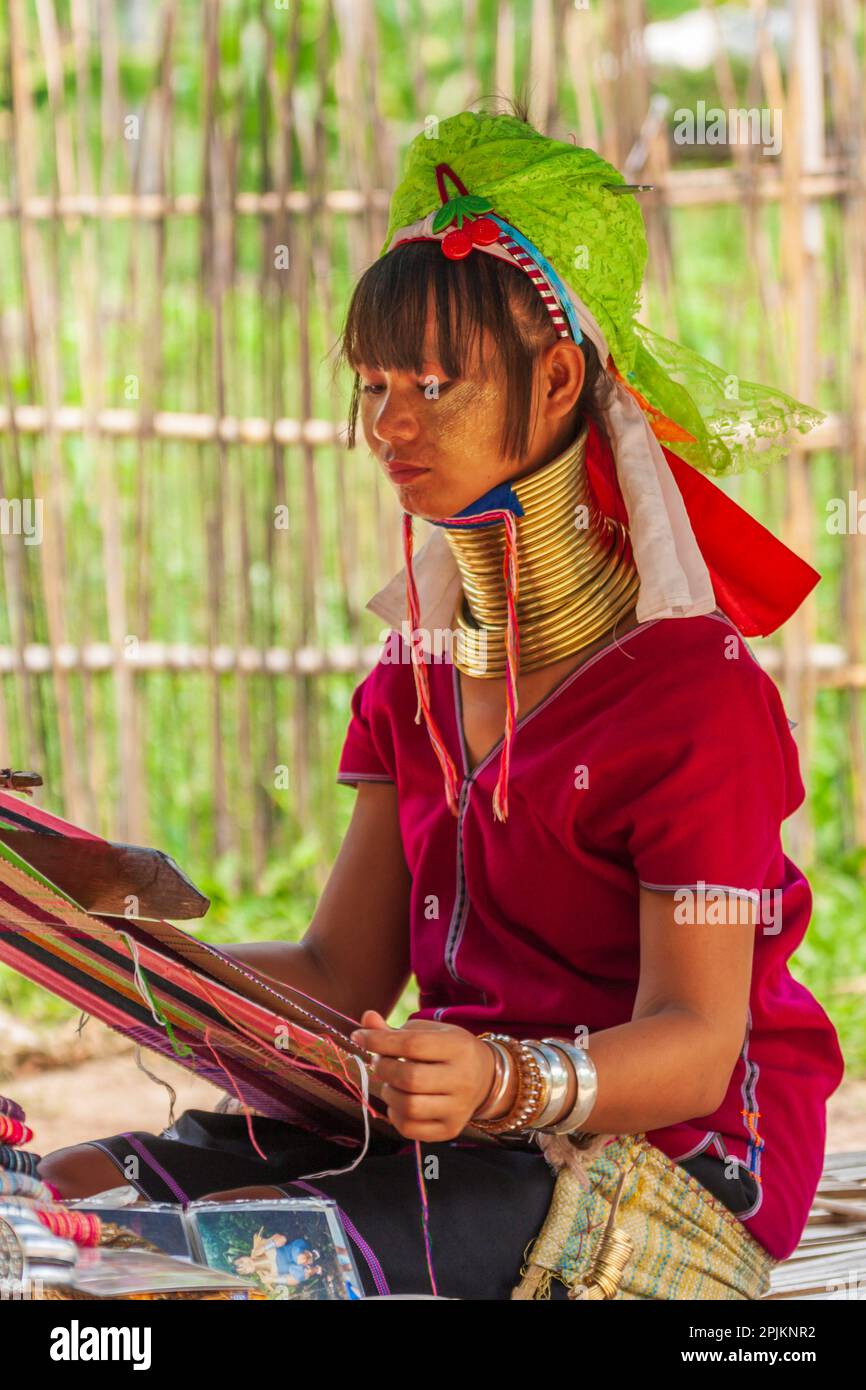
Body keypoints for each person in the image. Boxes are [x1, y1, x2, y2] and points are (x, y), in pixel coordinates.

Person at [39, 103, 845, 1301]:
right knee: (94, 1188)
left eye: (429, 381)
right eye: (370, 384)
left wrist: (501, 1084)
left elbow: (693, 1046)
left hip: (663, 1163)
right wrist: (126, 935)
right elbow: (340, 969)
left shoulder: (692, 699)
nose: (386, 424)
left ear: (559, 376)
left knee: (280, 1250)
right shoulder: (414, 677)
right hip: (453, 1127)